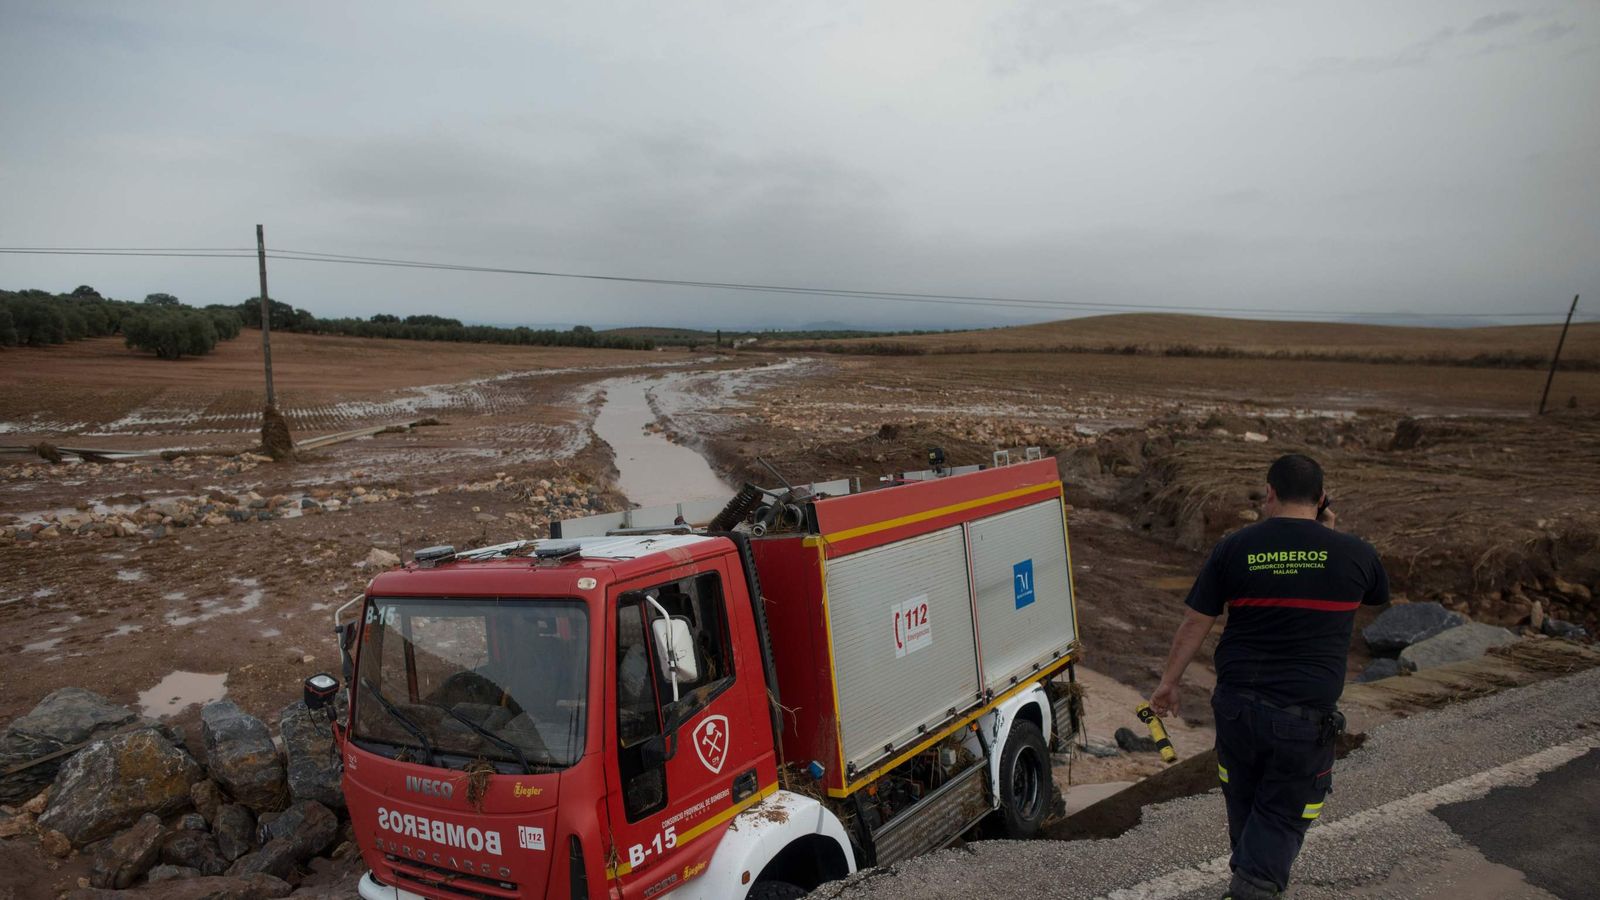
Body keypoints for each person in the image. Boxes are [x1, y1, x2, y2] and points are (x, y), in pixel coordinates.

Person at [1149, 453, 1389, 900]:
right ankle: (1251, 889)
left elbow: (1194, 623)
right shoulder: (1356, 554)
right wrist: (1327, 537)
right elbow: (1372, 593)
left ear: (1271, 493)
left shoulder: (1234, 547)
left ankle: (1247, 881)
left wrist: (1169, 682)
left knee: (1243, 800)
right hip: (1302, 720)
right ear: (1321, 499)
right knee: (1284, 812)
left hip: (1237, 709)